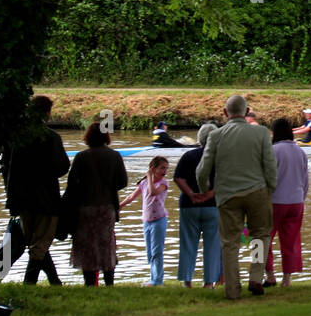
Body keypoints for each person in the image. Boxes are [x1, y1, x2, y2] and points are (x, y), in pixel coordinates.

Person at [197, 95, 277, 300]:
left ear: (225, 113)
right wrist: (270, 188)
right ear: (247, 110)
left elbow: (202, 170)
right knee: (260, 236)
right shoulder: (260, 133)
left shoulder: (216, 136)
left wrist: (204, 188)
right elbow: (270, 165)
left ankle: (232, 288)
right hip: (257, 191)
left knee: (230, 242)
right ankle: (256, 277)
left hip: (227, 195)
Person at [1, 95, 69, 285]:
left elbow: (9, 169)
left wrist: (11, 198)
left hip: (22, 199)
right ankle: (29, 284)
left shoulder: (16, 138)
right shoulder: (51, 137)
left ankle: (55, 282)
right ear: (47, 113)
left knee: (35, 243)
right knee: (40, 245)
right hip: (47, 199)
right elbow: (63, 167)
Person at [64, 122, 128, 286]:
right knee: (106, 244)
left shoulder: (81, 157)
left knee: (86, 246)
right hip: (107, 207)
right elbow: (123, 182)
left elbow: (71, 184)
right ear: (106, 136)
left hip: (85, 207)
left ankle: (90, 282)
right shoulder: (115, 156)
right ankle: (109, 282)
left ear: (88, 137)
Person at [173, 122, 221, 288]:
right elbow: (225, 180)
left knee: (188, 243)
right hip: (213, 206)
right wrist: (210, 194)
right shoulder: (219, 157)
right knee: (212, 245)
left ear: (200, 138)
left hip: (189, 205)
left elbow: (178, 178)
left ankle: (187, 281)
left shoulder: (188, 155)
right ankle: (209, 282)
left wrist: (191, 194)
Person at [267, 117, 309, 288]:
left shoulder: (272, 150)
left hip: (275, 201)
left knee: (261, 238)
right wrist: (301, 198)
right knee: (291, 241)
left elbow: (268, 178)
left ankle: (269, 274)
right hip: (296, 201)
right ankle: (287, 279)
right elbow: (306, 180)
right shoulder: (300, 152)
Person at [119, 156, 170, 286]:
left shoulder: (164, 183)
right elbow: (132, 196)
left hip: (159, 220)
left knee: (157, 251)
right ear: (153, 168)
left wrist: (149, 177)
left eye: (166, 168)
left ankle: (157, 280)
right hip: (147, 221)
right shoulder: (144, 183)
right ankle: (153, 278)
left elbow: (153, 192)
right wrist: (120, 206)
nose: (165, 171)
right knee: (150, 252)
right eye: (162, 168)